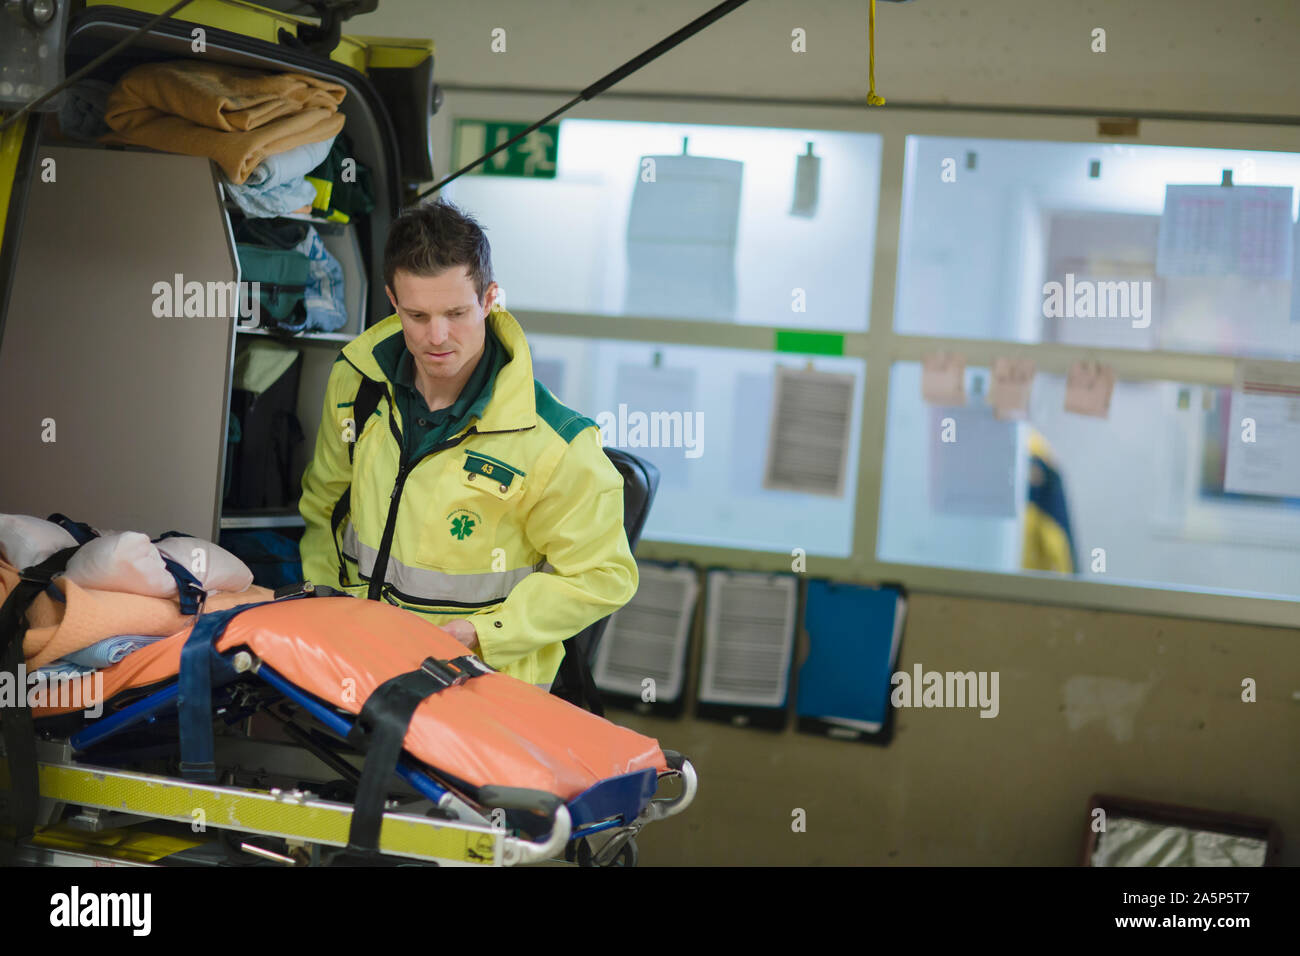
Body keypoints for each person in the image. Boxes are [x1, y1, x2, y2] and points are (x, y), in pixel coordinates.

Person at [298, 199, 638, 690]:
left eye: (456, 313)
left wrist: (480, 634)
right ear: (393, 302)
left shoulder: (557, 442)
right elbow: (324, 505)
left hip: (482, 685)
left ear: (489, 299)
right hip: (355, 663)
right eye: (417, 315)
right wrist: (325, 606)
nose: (437, 337)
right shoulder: (357, 386)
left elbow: (604, 575)